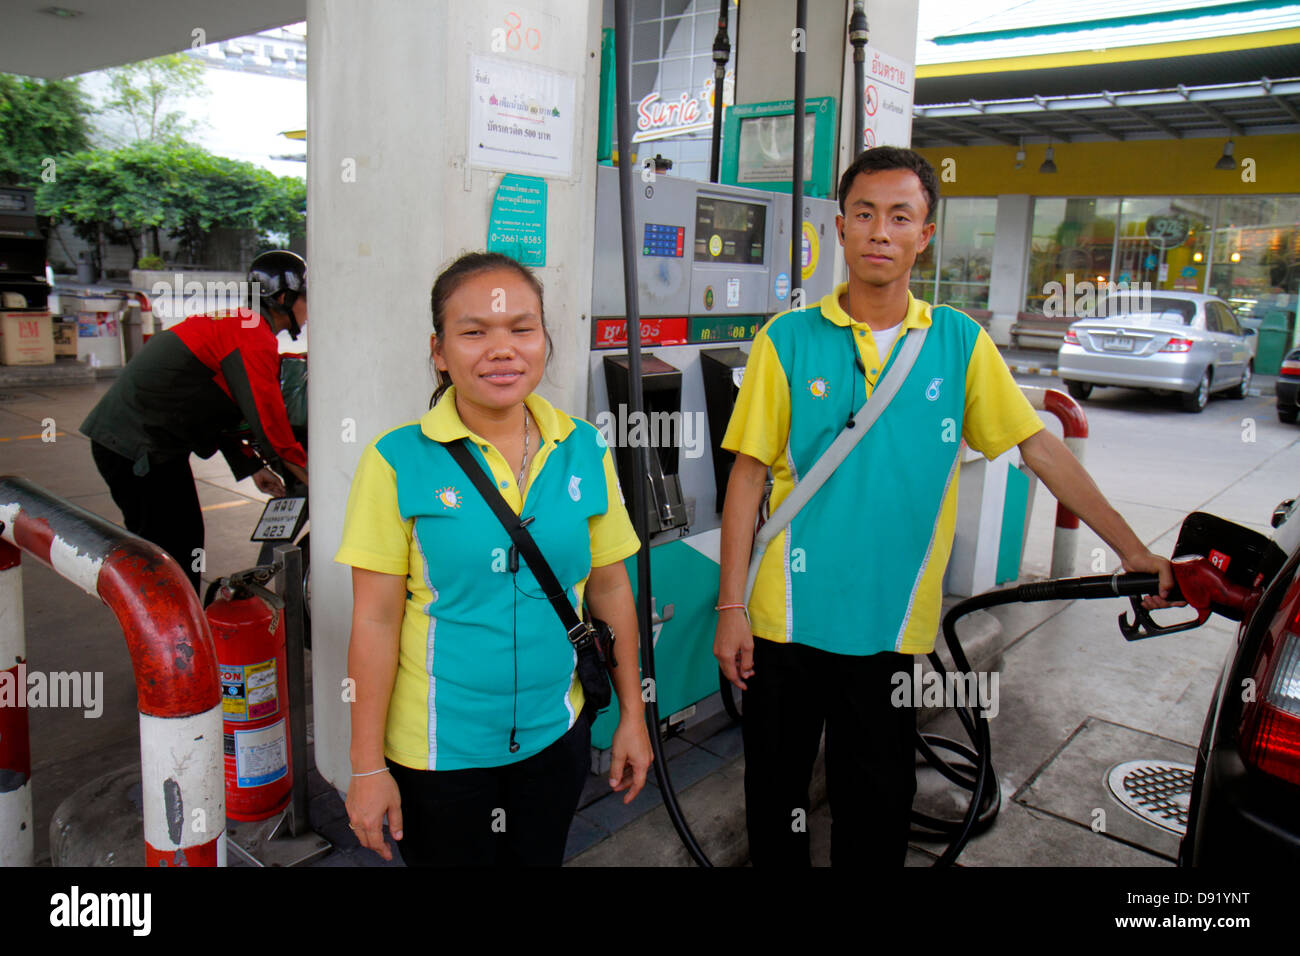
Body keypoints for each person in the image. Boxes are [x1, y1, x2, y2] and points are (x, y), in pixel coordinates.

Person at [713, 146, 1178, 867]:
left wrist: (1131, 549)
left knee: (876, 815)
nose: (879, 231)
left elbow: (1041, 450)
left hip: (894, 629)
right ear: (839, 227)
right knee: (777, 808)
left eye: (900, 216)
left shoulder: (957, 342)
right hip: (784, 623)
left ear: (924, 235)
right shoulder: (788, 339)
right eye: (864, 214)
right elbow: (745, 479)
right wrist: (731, 609)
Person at [336, 251, 653, 866]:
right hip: (437, 753)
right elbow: (373, 622)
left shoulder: (584, 447)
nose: (501, 349)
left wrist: (633, 716)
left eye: (521, 329)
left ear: (544, 341)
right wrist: (365, 765)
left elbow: (611, 589)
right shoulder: (396, 460)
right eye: (474, 332)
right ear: (439, 350)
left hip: (556, 735)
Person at [81, 250, 309, 592]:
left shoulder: (236, 322)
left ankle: (174, 630)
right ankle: (174, 637)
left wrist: (251, 467)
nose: (310, 309)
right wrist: (312, 478)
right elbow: (271, 426)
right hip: (138, 448)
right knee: (171, 550)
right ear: (282, 298)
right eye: (307, 298)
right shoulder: (252, 336)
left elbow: (214, 408)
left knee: (178, 543)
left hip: (141, 444)